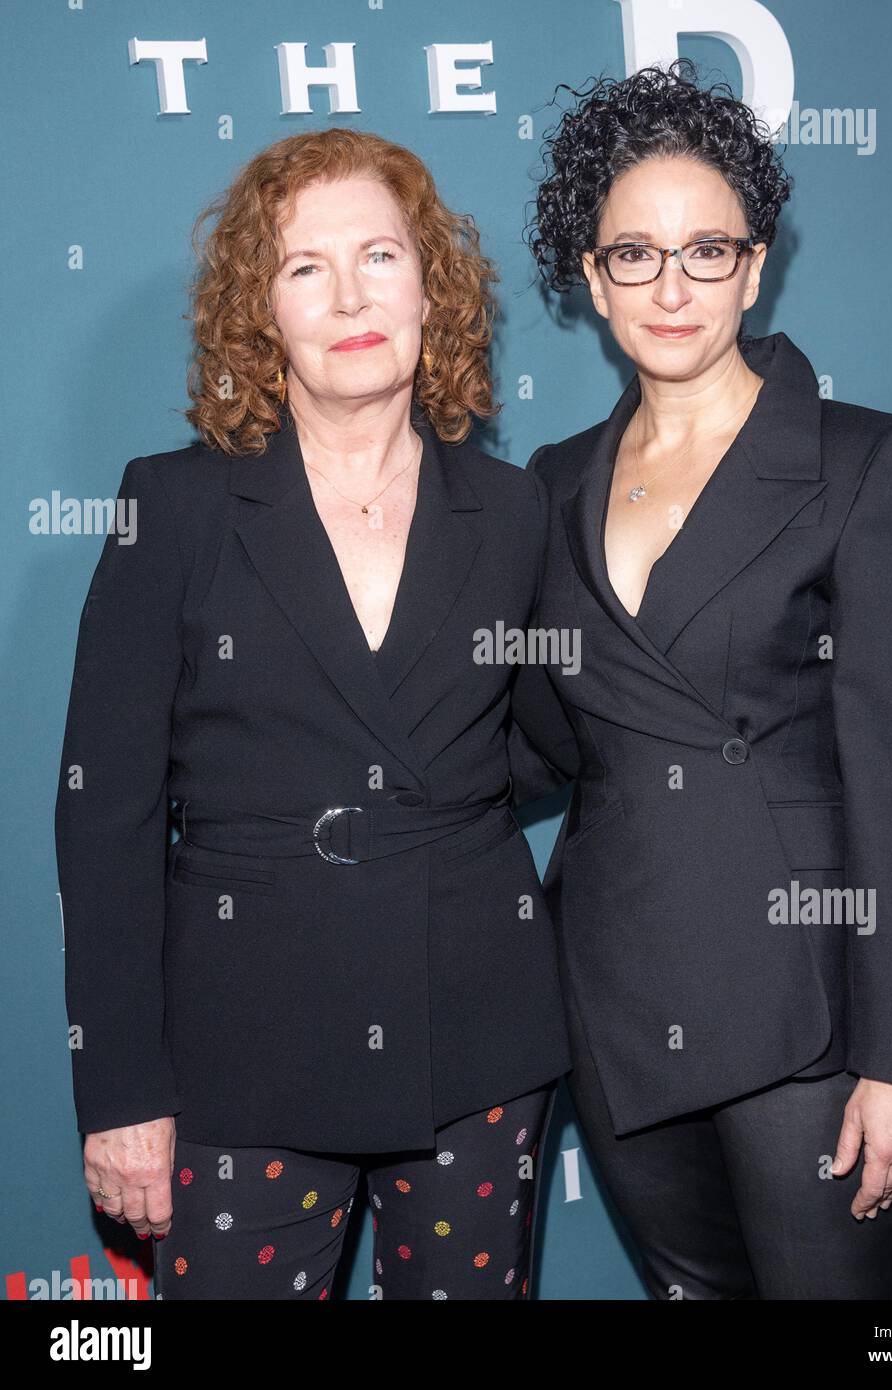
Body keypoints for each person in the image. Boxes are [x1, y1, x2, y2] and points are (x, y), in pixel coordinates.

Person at [55, 126, 571, 1300]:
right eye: (305, 268)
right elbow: (105, 816)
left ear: (430, 286)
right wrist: (124, 1089)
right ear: (260, 313)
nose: (350, 295)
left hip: (476, 1034)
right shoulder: (173, 507)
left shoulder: (511, 509)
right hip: (245, 1045)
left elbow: (545, 734)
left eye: (380, 256)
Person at [511, 62, 892, 1299]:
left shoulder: (870, 460)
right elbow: (540, 740)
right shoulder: (548, 484)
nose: (672, 286)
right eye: (635, 255)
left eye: (707, 251)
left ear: (755, 268)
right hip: (611, 989)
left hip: (801, 1007)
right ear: (592, 279)